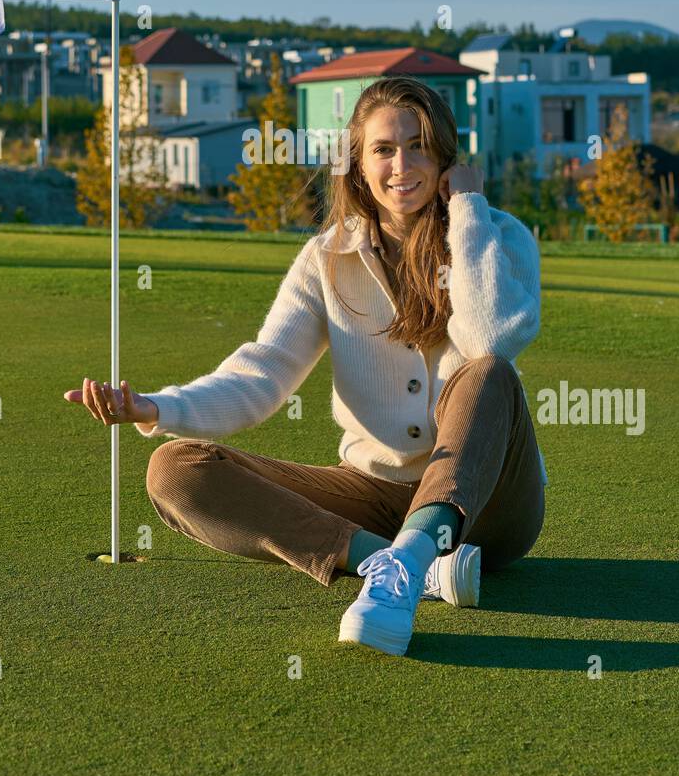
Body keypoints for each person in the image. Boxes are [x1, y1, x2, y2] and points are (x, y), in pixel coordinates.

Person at [65, 76, 547, 658]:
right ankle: (394, 564)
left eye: (419, 145)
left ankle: (414, 554)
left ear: (446, 156)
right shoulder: (326, 257)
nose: (403, 164)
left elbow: (489, 335)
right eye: (384, 149)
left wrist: (467, 208)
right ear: (358, 163)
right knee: (175, 469)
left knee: (487, 372)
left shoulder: (499, 236)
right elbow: (263, 373)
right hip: (373, 491)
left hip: (489, 510)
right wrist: (157, 407)